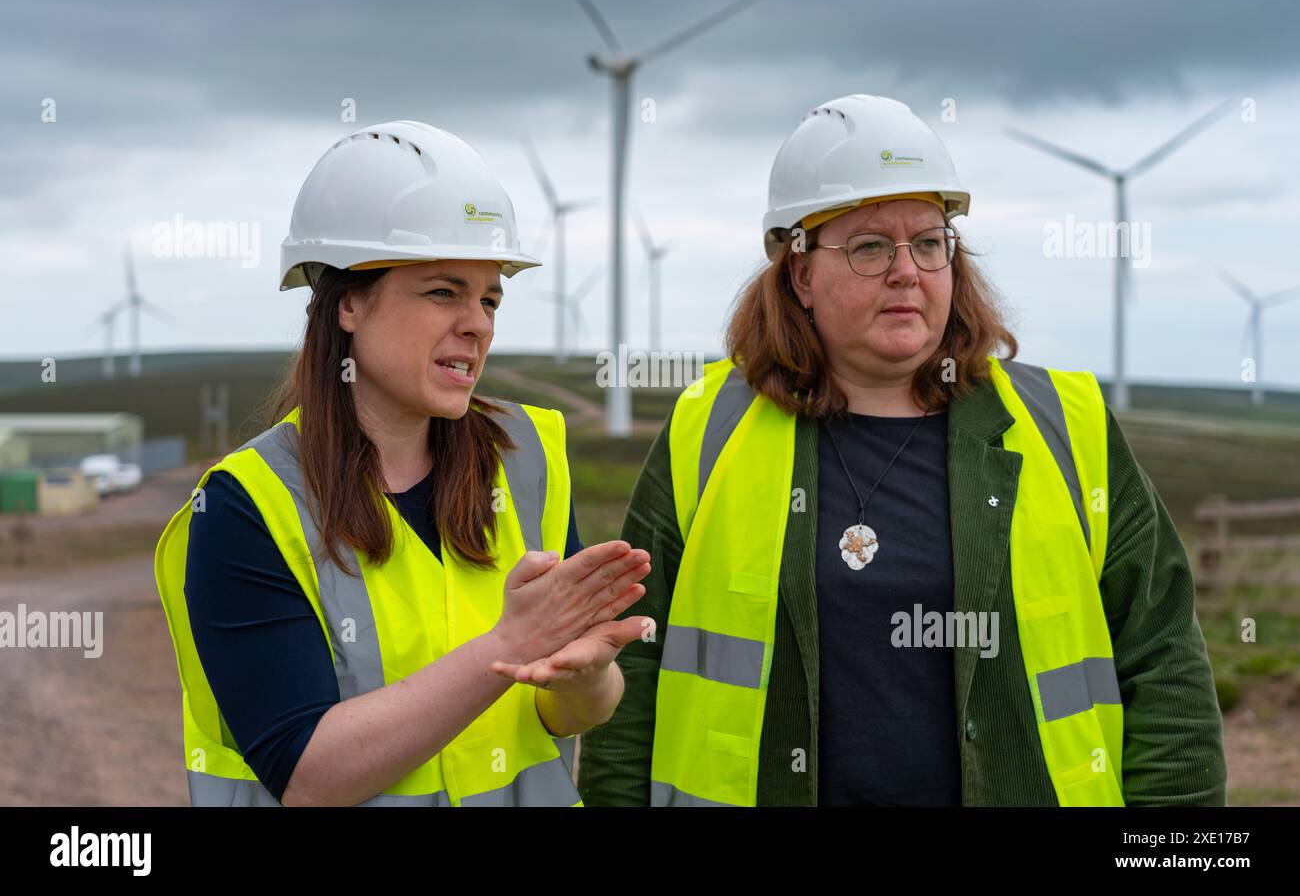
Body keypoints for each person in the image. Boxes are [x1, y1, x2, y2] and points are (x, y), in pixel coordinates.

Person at [577, 94, 1227, 806]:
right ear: (800, 275)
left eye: (929, 242)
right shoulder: (706, 433)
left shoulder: (1068, 428)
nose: (906, 271)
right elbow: (629, 672)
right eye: (869, 246)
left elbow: (1164, 665)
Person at [155, 120, 650, 806]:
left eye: (490, 298)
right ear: (348, 304)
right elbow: (309, 776)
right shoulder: (247, 505)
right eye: (443, 291)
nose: (478, 324)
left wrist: (585, 679)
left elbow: (566, 714)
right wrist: (509, 645)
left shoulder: (528, 457)